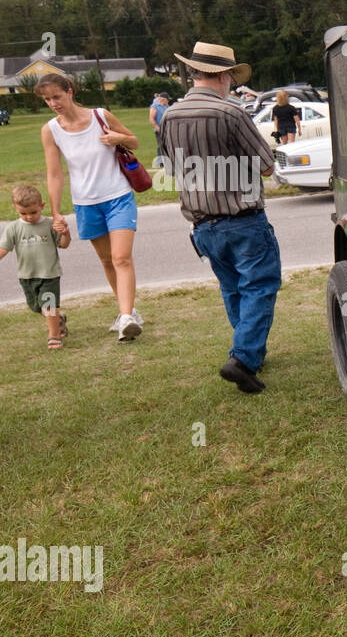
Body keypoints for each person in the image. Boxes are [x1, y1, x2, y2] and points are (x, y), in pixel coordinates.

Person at [159, 41, 280, 394]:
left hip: (201, 225)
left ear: (195, 73)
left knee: (232, 288)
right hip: (242, 218)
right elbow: (267, 166)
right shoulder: (231, 113)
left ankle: (249, 352)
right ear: (224, 76)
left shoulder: (170, 116)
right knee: (259, 285)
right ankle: (242, 359)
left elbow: (170, 166)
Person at [37, 72, 143, 341]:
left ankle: (127, 317)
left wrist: (116, 138)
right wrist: (56, 211)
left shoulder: (101, 116)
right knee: (107, 261)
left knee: (121, 257)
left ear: (70, 91)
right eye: (48, 99)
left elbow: (134, 142)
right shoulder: (51, 130)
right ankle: (127, 311)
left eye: (57, 97)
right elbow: (55, 174)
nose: (53, 103)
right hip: (85, 203)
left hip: (118, 196)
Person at [0, 185, 71, 349]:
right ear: (15, 209)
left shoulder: (50, 224)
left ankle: (54, 335)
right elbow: (3, 248)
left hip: (49, 274)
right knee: (36, 306)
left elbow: (64, 245)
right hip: (27, 275)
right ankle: (58, 319)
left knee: (48, 305)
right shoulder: (13, 228)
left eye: (33, 212)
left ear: (42, 206)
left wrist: (66, 233)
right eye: (23, 213)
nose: (29, 217)